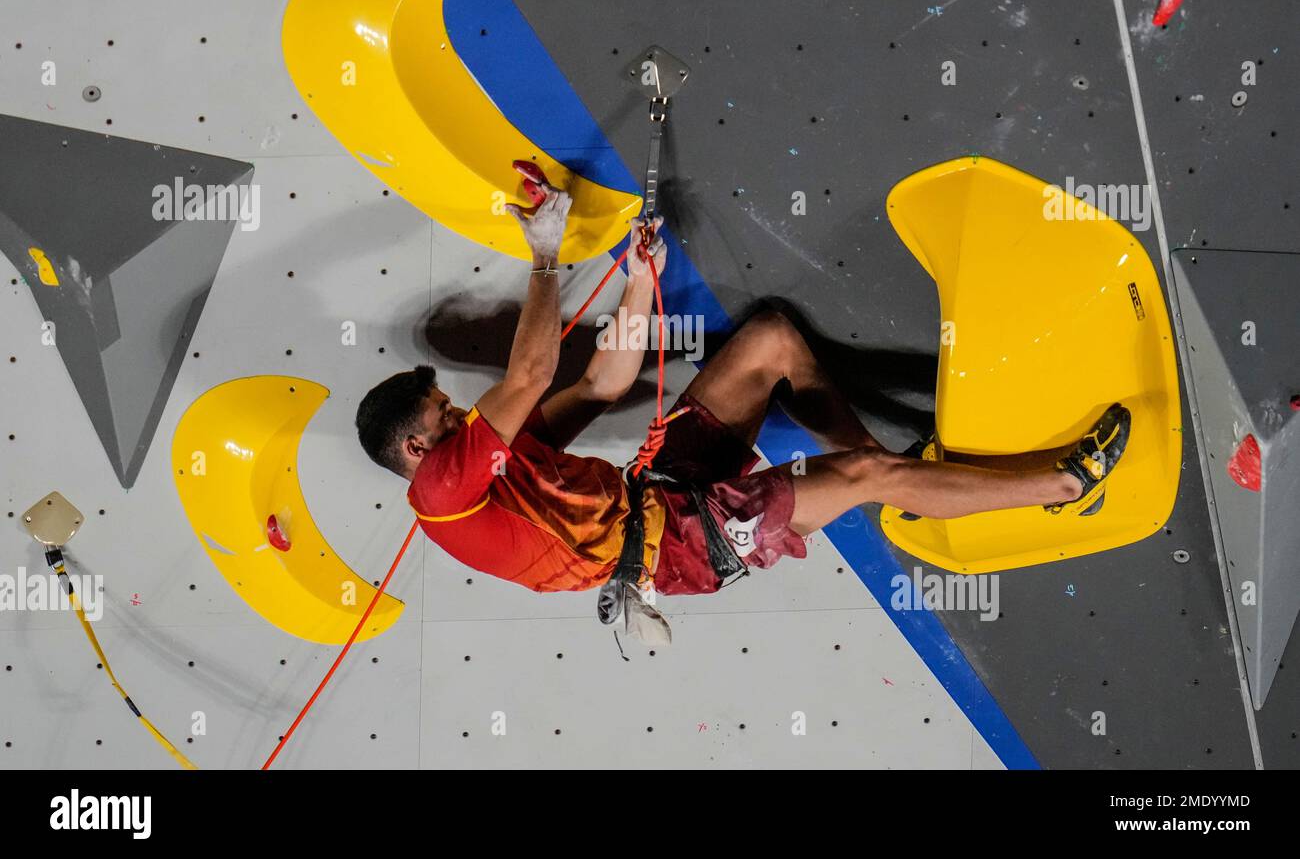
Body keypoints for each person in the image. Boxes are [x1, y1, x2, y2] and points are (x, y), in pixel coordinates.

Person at [355, 166, 1129, 605]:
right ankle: (1064, 484)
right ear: (420, 446)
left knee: (770, 343)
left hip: (657, 490)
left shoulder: (496, 459)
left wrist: (637, 283)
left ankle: (913, 483)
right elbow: (531, 371)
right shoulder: (439, 492)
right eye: (447, 413)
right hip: (681, 546)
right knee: (860, 476)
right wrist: (545, 253)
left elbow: (600, 381)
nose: (465, 412)